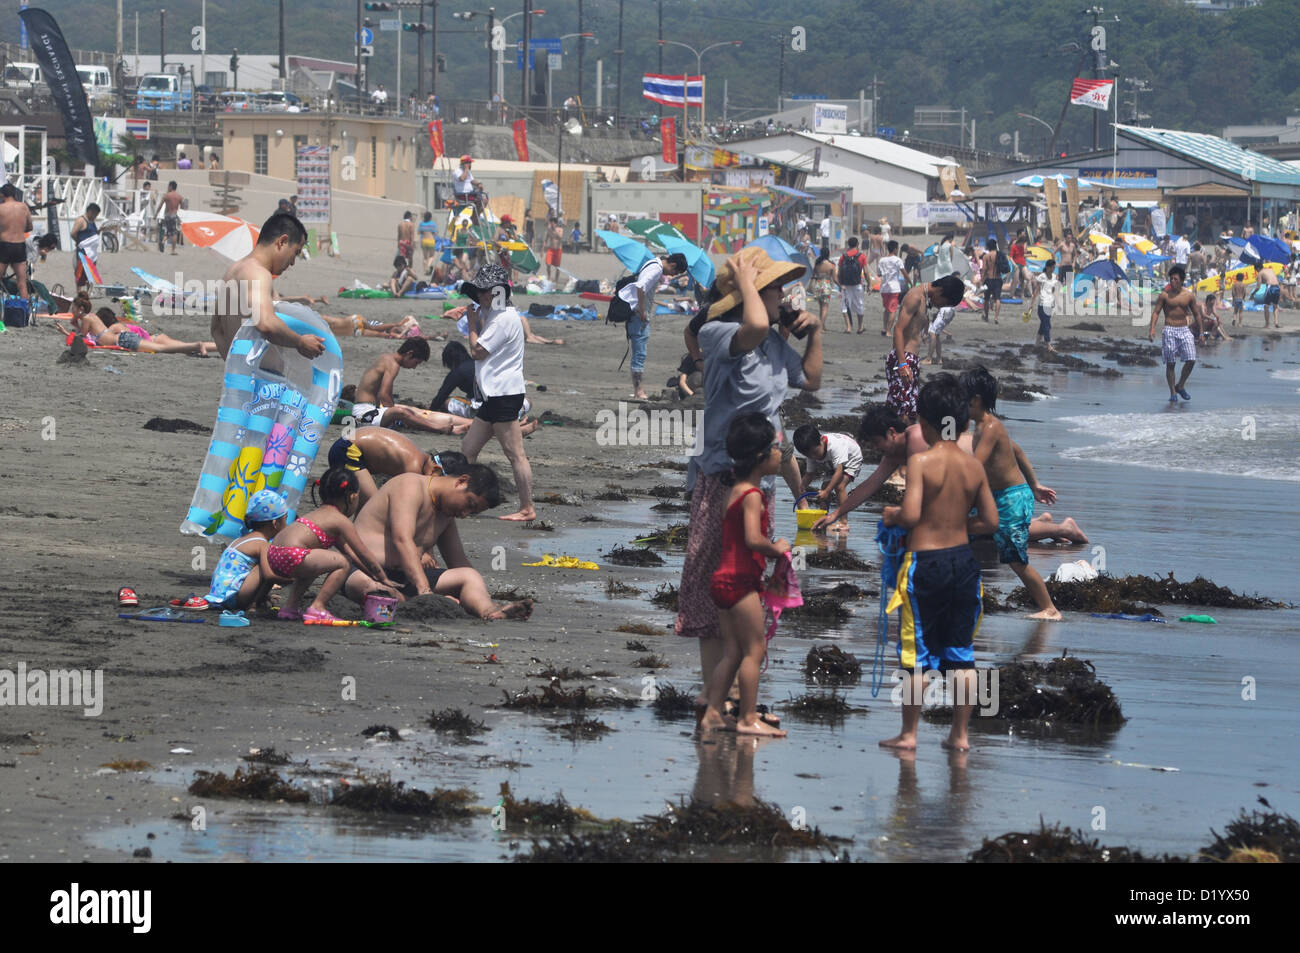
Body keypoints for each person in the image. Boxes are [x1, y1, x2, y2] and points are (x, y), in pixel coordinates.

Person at [676, 247, 822, 719]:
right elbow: (755, 325)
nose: (785, 296)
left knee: (744, 586)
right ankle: (714, 695)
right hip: (721, 475)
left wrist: (814, 333)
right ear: (752, 293)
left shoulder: (776, 345)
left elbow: (812, 381)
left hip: (762, 481)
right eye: (776, 287)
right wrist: (744, 278)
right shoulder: (721, 333)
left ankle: (736, 697)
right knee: (709, 585)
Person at [879, 374, 998, 752]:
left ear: (924, 423)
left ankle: (909, 734)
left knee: (915, 653)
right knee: (962, 652)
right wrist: (957, 523)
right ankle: (959, 736)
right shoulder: (973, 467)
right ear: (963, 423)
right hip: (964, 564)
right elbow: (992, 522)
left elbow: (912, 515)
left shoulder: (922, 462)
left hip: (925, 564)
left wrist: (891, 515)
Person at [697, 414, 789, 738]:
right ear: (761, 456)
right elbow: (752, 539)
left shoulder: (733, 490)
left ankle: (711, 712)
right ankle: (748, 718)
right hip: (739, 583)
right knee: (754, 651)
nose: (781, 454)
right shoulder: (752, 495)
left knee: (733, 652)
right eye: (777, 448)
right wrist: (777, 549)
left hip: (722, 580)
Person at [338, 467, 532, 619]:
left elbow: (458, 561)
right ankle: (411, 601)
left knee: (469, 576)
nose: (465, 514)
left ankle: (490, 612)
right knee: (366, 586)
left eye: (472, 512)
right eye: (469, 504)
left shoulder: (446, 514)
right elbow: (402, 539)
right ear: (461, 482)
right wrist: (425, 591)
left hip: (405, 578)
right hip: (364, 569)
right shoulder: (410, 485)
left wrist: (480, 594)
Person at [961, 365, 1061, 621]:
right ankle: (962, 595)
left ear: (975, 399)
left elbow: (975, 466)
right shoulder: (981, 426)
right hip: (996, 496)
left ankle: (1050, 608)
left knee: (1015, 559)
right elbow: (1017, 451)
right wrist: (1036, 484)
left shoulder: (991, 428)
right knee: (960, 535)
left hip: (1012, 499)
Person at [263, 467, 396, 622]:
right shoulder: (340, 521)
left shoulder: (321, 516)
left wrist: (374, 577)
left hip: (274, 554)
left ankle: (290, 607)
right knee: (343, 562)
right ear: (353, 497)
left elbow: (354, 555)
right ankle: (317, 606)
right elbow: (362, 553)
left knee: (317, 564)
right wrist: (383, 578)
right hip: (292, 554)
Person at [459, 264, 537, 522]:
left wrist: (471, 324)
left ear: (498, 292)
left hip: (505, 394)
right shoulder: (497, 314)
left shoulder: (504, 318)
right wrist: (477, 317)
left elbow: (477, 351)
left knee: (515, 454)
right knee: (468, 449)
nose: (480, 296)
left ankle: (527, 508)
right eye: (478, 292)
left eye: (485, 292)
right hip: (496, 395)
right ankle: (462, 500)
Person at [212, 211, 324, 359]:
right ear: (282, 241)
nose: (292, 262)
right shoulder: (258, 273)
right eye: (295, 253)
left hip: (237, 376)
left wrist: (235, 365)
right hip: (260, 379)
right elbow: (266, 322)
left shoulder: (233, 271)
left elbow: (216, 330)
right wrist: (300, 341)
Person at [888, 274, 965, 421]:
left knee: (905, 408)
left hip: (910, 359)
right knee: (904, 411)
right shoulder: (915, 297)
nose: (941, 306)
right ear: (940, 291)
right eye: (944, 302)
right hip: (903, 358)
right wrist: (902, 363)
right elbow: (898, 329)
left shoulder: (923, 298)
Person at [352, 338, 468, 434]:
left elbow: (385, 396)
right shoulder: (393, 365)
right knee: (402, 412)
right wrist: (397, 416)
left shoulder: (386, 358)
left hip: (369, 412)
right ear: (409, 354)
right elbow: (384, 395)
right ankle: (439, 428)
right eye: (416, 362)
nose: (414, 367)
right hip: (364, 415)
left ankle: (447, 428)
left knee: (406, 413)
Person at [203, 489, 286, 612]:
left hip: (219, 595)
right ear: (275, 523)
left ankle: (257, 599)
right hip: (234, 598)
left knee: (261, 564)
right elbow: (269, 576)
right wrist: (291, 579)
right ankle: (253, 604)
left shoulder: (241, 539)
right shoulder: (262, 545)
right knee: (268, 564)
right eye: (285, 519)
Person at [621, 252, 688, 399]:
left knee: (640, 352)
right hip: (638, 316)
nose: (671, 275)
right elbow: (640, 286)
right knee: (640, 353)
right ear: (673, 265)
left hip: (637, 314)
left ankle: (639, 390)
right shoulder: (657, 269)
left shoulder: (653, 262)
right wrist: (642, 310)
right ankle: (639, 392)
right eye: (674, 272)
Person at [1148, 264, 1203, 403]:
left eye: (1175, 279)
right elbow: (1156, 312)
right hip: (1170, 330)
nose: (1172, 281)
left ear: (1182, 280)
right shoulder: (1164, 295)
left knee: (1191, 359)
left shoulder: (1189, 295)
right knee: (1170, 363)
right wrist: (1152, 329)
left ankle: (1180, 386)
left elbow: (1197, 314)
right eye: (1171, 279)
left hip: (1184, 330)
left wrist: (1201, 333)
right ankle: (1172, 392)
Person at [793, 423, 862, 528]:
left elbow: (838, 472)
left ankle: (844, 522)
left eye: (815, 453)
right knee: (824, 487)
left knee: (840, 487)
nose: (813, 457)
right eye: (808, 455)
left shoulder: (835, 446)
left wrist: (827, 491)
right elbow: (809, 474)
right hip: (833, 462)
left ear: (822, 440)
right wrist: (802, 486)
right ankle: (822, 519)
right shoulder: (811, 452)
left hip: (852, 458)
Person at [0, 183, 32, 300]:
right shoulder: (23, 207)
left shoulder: (1, 208)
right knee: (22, 283)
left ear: (2, 195)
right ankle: (24, 313)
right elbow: (29, 227)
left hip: (5, 245)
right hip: (19, 246)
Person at [836, 236, 868, 334]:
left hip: (845, 285)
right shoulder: (862, 256)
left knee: (845, 305)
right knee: (860, 304)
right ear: (857, 244)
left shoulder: (843, 256)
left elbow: (839, 272)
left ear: (848, 245)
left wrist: (840, 284)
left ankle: (848, 327)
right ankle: (860, 326)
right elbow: (866, 272)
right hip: (857, 284)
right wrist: (870, 284)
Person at [878, 239, 906, 335]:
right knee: (893, 310)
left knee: (886, 309)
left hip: (884, 288)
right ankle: (888, 331)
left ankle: (884, 328)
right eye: (897, 248)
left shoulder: (882, 260)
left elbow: (879, 274)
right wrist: (910, 282)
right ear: (895, 249)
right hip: (894, 288)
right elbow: (904, 273)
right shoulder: (897, 260)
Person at [71, 202, 101, 290]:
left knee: (90, 273)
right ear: (90, 212)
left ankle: (88, 292)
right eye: (95, 214)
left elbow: (92, 234)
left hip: (92, 253)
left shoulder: (92, 221)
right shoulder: (81, 220)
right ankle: (79, 292)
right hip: (83, 252)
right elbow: (73, 233)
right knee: (80, 272)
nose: (96, 217)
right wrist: (78, 242)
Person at [1034, 260, 1061, 351]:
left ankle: (1037, 343)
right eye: (1052, 267)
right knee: (1047, 325)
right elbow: (1036, 290)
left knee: (1044, 324)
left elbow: (1053, 291)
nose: (1054, 269)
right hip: (1042, 305)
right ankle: (1048, 345)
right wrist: (1031, 304)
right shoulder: (1041, 276)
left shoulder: (1054, 277)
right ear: (1048, 267)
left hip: (1050, 304)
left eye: (1054, 267)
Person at [807, 249, 835, 328]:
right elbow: (835, 278)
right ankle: (821, 326)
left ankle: (823, 325)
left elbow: (813, 274)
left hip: (818, 284)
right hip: (826, 285)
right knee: (825, 307)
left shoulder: (817, 263)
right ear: (828, 254)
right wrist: (840, 286)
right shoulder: (831, 265)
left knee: (821, 307)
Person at [980, 239, 1003, 324]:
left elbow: (984, 269)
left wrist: (982, 279)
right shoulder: (999, 255)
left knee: (986, 298)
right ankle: (996, 317)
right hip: (998, 278)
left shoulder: (986, 256)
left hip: (989, 279)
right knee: (997, 298)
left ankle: (986, 316)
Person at [1253, 264, 1281, 329]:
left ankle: (1267, 324)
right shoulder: (1270, 270)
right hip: (1277, 287)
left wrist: (1253, 294)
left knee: (1266, 306)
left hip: (1270, 287)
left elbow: (1258, 287)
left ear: (1257, 268)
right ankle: (1276, 322)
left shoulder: (1260, 273)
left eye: (1256, 270)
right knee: (1275, 305)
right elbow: (1272, 279)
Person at [160, 181, 183, 254]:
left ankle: (163, 241)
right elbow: (182, 208)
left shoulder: (166, 195)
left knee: (168, 231)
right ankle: (173, 250)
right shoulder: (179, 197)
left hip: (167, 215)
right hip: (174, 215)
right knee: (174, 233)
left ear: (170, 186)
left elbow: (160, 205)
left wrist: (155, 214)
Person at [543, 215, 564, 283]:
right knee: (548, 264)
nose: (552, 224)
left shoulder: (560, 229)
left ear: (556, 223)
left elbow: (560, 237)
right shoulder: (549, 230)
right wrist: (542, 250)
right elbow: (545, 240)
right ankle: (549, 277)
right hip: (551, 249)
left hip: (558, 250)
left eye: (553, 223)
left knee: (557, 266)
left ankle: (556, 279)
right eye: (551, 222)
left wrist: (555, 230)